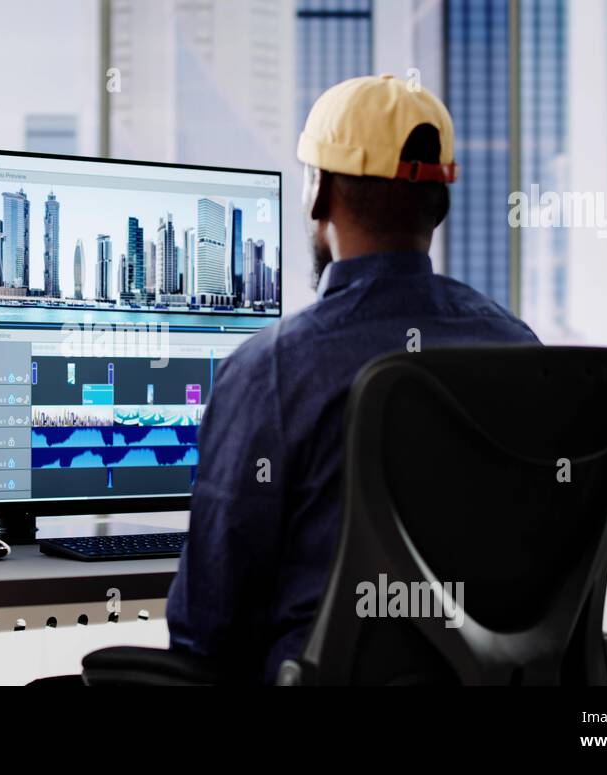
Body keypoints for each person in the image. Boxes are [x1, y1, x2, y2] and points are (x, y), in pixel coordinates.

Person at [165, 75, 541, 684]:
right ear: (440, 206)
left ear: (318, 194)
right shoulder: (516, 348)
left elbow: (207, 630)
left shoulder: (273, 369)